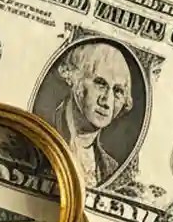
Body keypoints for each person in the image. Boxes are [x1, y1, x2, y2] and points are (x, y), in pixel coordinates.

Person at [48, 42, 134, 186]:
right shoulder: (45, 129)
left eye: (118, 91)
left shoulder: (110, 168)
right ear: (75, 79)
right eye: (100, 84)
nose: (107, 102)